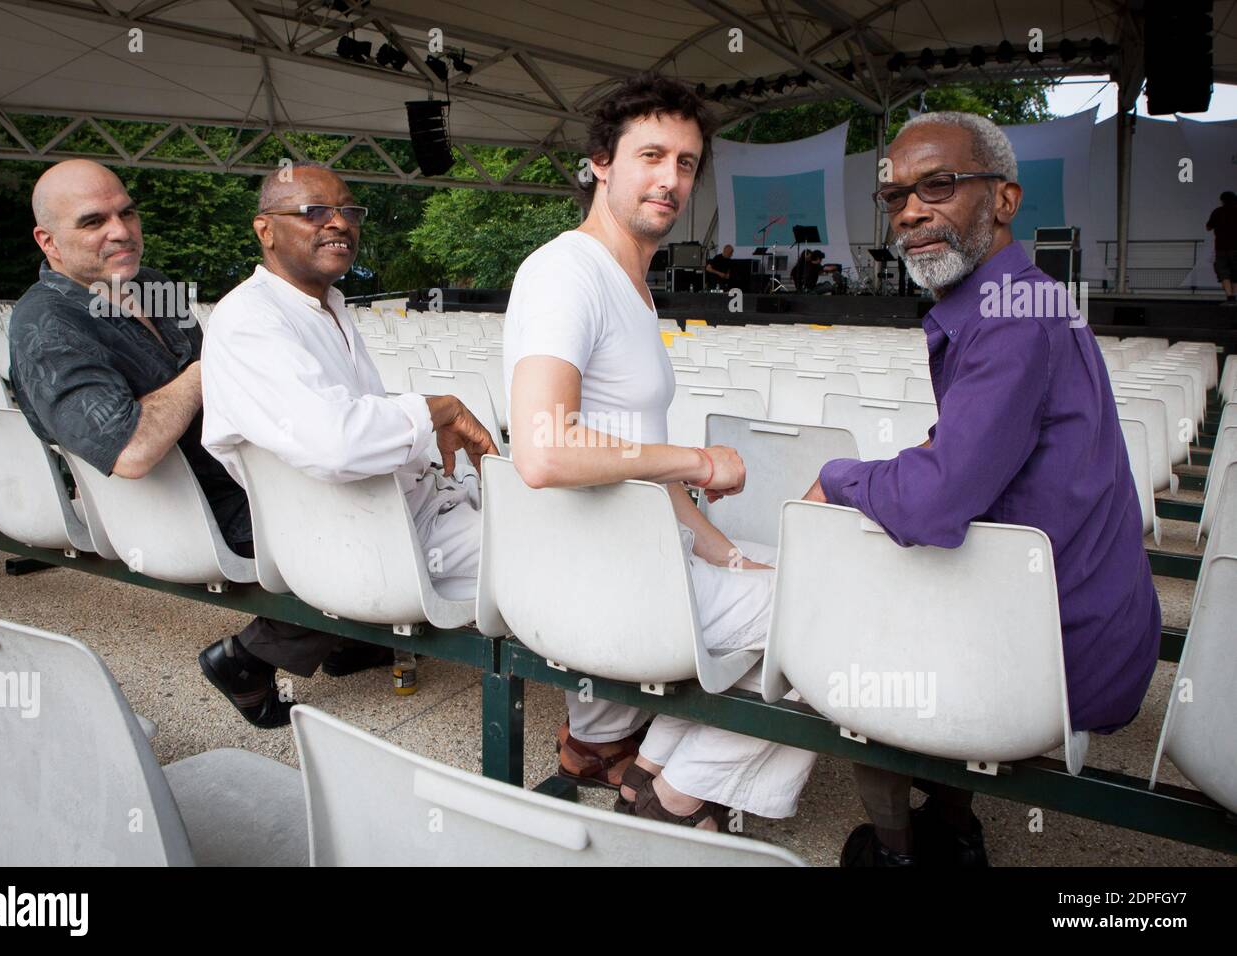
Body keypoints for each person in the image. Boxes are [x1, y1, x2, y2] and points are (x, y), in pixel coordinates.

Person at [803, 111, 1161, 867]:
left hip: (1054, 658)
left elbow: (937, 500)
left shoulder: (1010, 320)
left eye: (938, 186)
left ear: (1004, 199)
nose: (910, 212)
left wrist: (838, 479)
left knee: (848, 630)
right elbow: (981, 459)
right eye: (897, 196)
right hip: (1075, 624)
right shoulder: (1024, 300)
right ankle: (951, 819)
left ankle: (898, 852)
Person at [504, 73, 816, 832]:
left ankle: (622, 752)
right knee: (832, 606)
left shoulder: (633, 288)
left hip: (639, 562)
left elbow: (633, 465)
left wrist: (727, 555)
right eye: (650, 156)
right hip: (605, 580)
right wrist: (697, 462)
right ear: (601, 164)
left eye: (684, 162)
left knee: (773, 571)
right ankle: (679, 791)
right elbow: (542, 452)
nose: (670, 179)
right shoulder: (566, 272)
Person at [10, 159, 390, 732]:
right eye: (93, 222)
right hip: (179, 504)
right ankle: (246, 658)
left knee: (362, 467)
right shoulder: (45, 324)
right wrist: (214, 365)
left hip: (234, 469)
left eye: (126, 212)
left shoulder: (153, 286)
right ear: (49, 241)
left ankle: (339, 634)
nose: (120, 230)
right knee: (365, 522)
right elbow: (131, 450)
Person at [199, 162, 497, 655]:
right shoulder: (251, 320)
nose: (339, 223)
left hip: (405, 508)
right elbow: (336, 443)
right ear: (265, 229)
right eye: (314, 211)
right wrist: (438, 410)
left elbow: (348, 414)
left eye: (348, 211)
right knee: (558, 553)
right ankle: (595, 725)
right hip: (382, 534)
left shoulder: (326, 305)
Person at [1204, 191, 1237, 305]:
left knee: (1224, 272)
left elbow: (1208, 227)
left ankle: (1230, 297)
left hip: (1221, 247)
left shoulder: (1218, 212)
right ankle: (1234, 296)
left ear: (1222, 200)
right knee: (1235, 272)